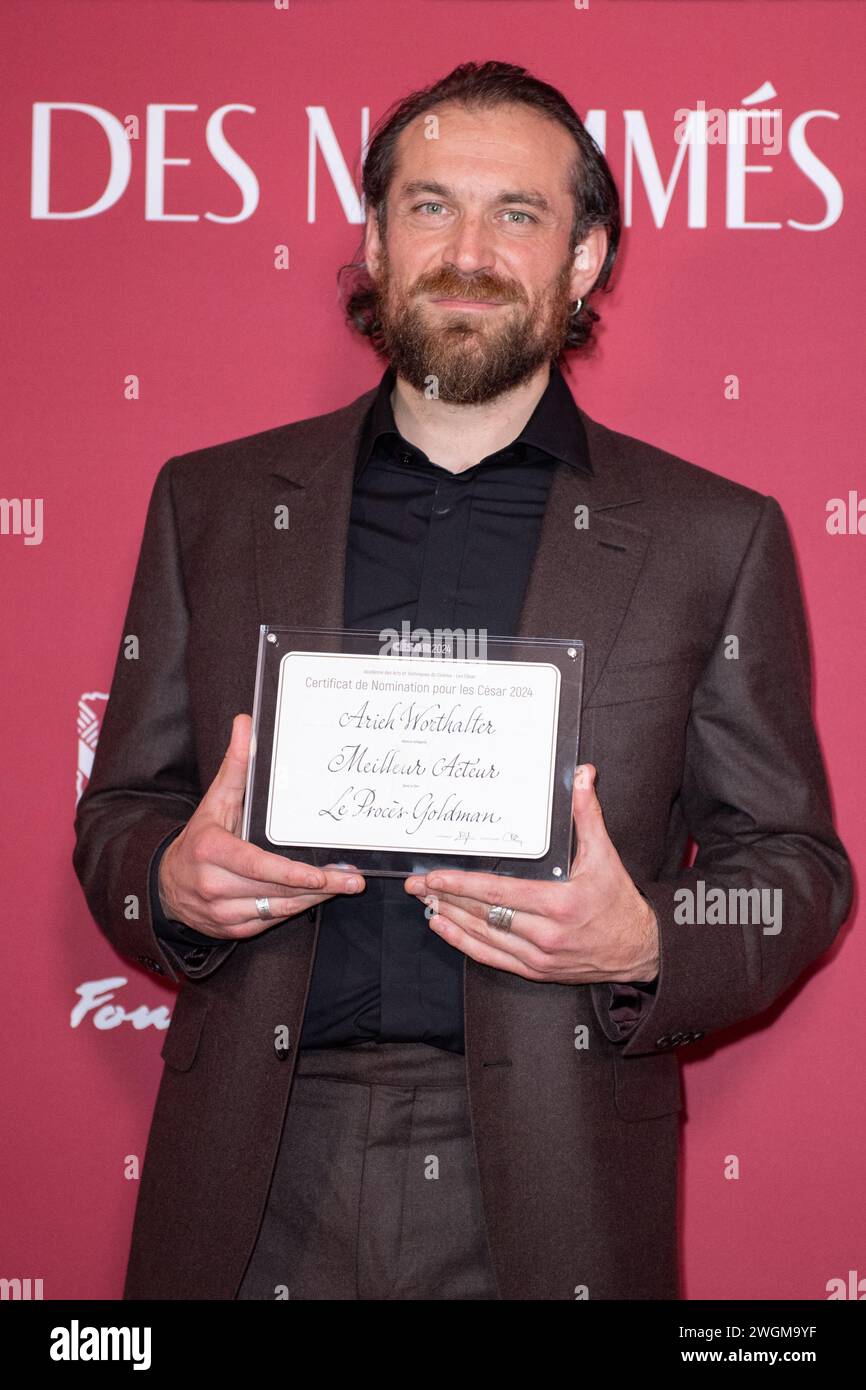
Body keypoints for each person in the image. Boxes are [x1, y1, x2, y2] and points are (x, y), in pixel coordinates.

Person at [73, 60, 852, 1301]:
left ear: (583, 259)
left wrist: (647, 936)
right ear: (375, 239)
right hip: (251, 1164)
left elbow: (792, 869)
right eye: (429, 206)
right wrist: (167, 880)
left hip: (556, 1175)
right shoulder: (211, 503)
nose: (468, 252)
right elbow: (120, 810)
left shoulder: (713, 535)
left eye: (517, 213)